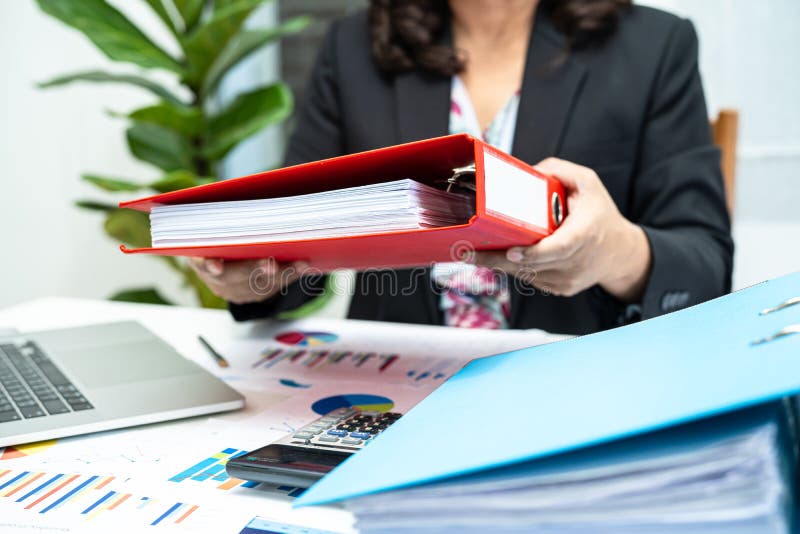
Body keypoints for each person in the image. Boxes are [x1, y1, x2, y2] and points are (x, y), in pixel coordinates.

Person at [189, 0, 733, 335]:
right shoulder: (354, 47)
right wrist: (253, 275)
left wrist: (615, 252)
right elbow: (297, 251)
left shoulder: (655, 45)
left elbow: (706, 265)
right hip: (394, 396)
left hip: (576, 386)